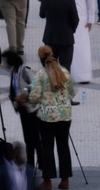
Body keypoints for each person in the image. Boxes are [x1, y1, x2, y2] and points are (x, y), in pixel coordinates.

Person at [17, 46, 74, 190]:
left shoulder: (40, 75)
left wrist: (26, 98)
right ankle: (65, 179)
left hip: (47, 116)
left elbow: (35, 97)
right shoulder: (64, 71)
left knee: (47, 148)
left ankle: (47, 182)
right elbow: (72, 92)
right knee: (63, 146)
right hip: (65, 115)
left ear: (41, 59)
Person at [56, 0, 95, 83]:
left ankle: (82, 76)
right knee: (67, 48)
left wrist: (90, 19)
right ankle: (66, 76)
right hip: (64, 19)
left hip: (82, 19)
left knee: (81, 48)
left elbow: (90, 0)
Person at [5, 50, 41, 171]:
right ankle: (30, 163)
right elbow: (13, 91)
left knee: (35, 138)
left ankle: (42, 163)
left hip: (32, 110)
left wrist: (23, 96)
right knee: (28, 138)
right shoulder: (14, 73)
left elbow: (35, 85)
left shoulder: (25, 71)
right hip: (22, 110)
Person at [39, 0, 80, 71]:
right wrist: (71, 30)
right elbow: (75, 19)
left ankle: (51, 84)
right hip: (66, 38)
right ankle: (64, 85)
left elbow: (42, 15)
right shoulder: (70, 1)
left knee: (49, 66)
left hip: (50, 37)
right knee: (65, 68)